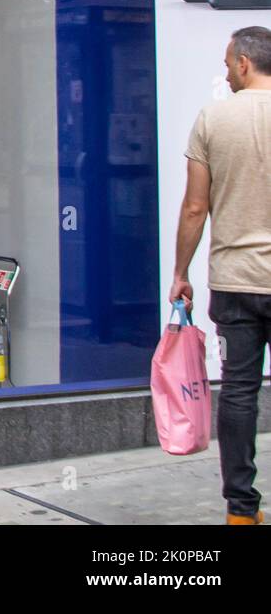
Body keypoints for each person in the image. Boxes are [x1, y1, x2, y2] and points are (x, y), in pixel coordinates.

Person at [171, 26, 271, 525]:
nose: (225, 71)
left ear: (245, 64)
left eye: (228, 62)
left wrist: (180, 273)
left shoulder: (213, 118)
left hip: (235, 283)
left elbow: (195, 209)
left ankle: (240, 509)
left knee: (238, 391)